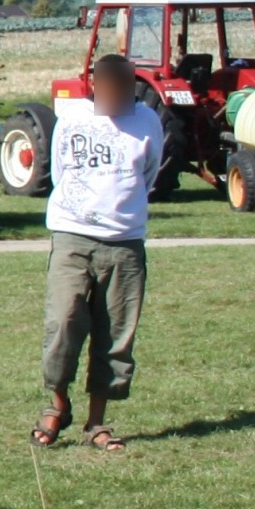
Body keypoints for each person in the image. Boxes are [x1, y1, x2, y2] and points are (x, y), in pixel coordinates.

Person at [36, 53, 161, 451]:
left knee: (115, 335)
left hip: (124, 244)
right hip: (72, 236)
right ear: (94, 85)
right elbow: (59, 172)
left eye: (121, 92)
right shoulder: (72, 119)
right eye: (106, 91)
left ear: (131, 88)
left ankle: (97, 424)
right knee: (62, 321)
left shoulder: (148, 123)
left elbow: (149, 174)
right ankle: (57, 405)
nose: (113, 99)